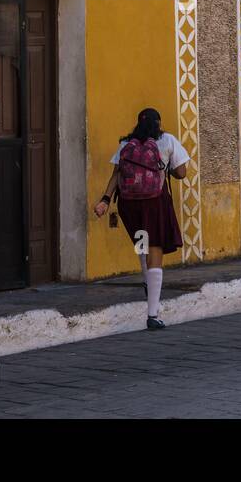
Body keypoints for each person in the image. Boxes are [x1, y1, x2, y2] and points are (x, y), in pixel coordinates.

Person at [94, 108, 189, 330]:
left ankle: (148, 281)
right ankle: (153, 314)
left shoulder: (127, 143)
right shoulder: (166, 140)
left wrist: (105, 200)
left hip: (129, 205)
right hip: (154, 202)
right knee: (156, 249)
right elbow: (182, 172)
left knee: (143, 246)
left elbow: (116, 174)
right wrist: (168, 169)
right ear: (158, 123)